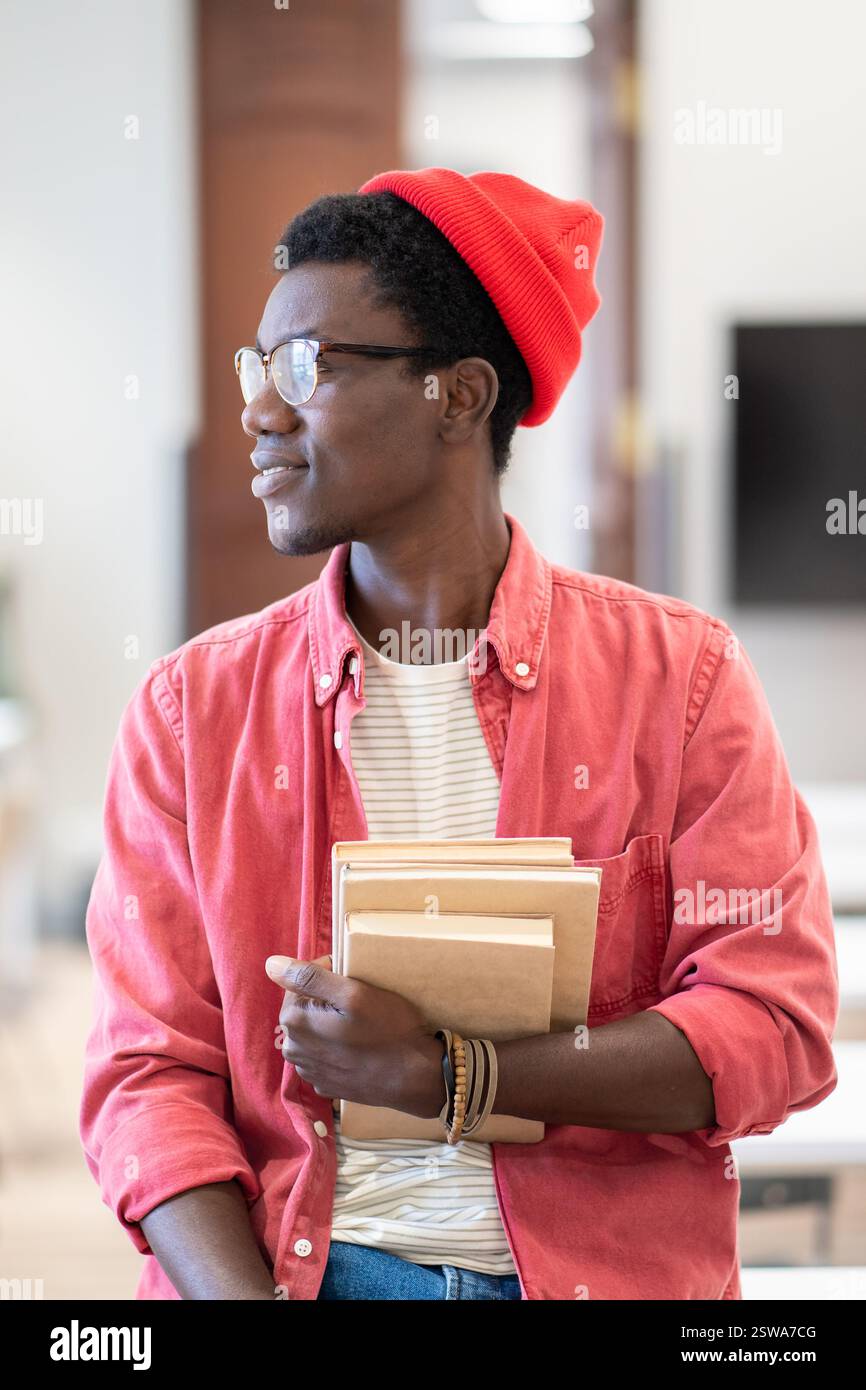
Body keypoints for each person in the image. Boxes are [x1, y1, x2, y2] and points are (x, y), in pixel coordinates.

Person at [79, 166, 839, 1301]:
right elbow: (149, 1076)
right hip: (303, 1271)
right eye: (256, 364)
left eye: (308, 365)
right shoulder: (195, 712)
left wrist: (451, 1075)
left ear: (458, 394)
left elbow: (770, 1026)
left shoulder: (678, 680)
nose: (257, 407)